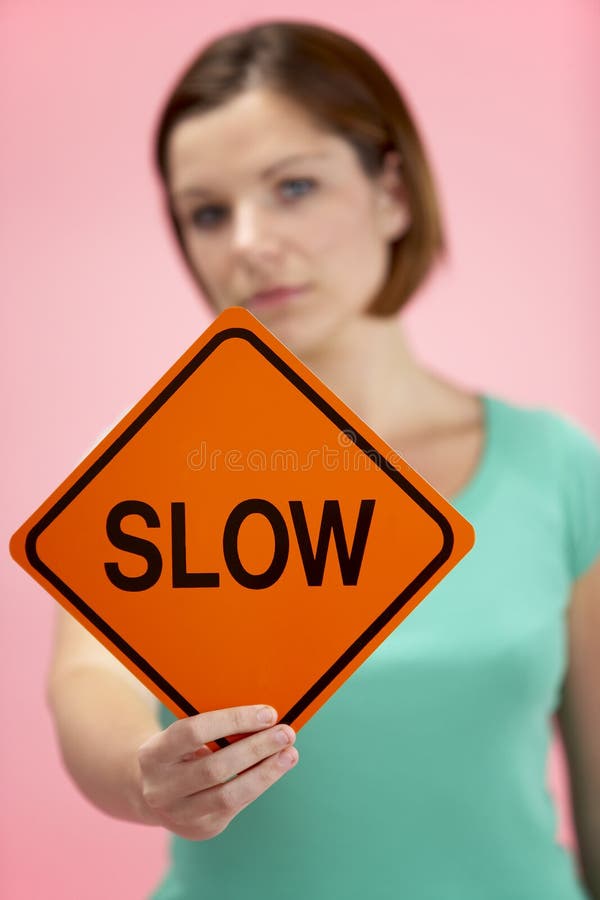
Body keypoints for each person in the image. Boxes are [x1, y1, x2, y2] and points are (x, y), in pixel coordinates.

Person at [47, 19, 600, 900]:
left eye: (294, 187)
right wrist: (144, 775)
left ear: (393, 193)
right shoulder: (159, 468)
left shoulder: (558, 467)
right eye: (208, 213)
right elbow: (90, 675)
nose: (247, 243)